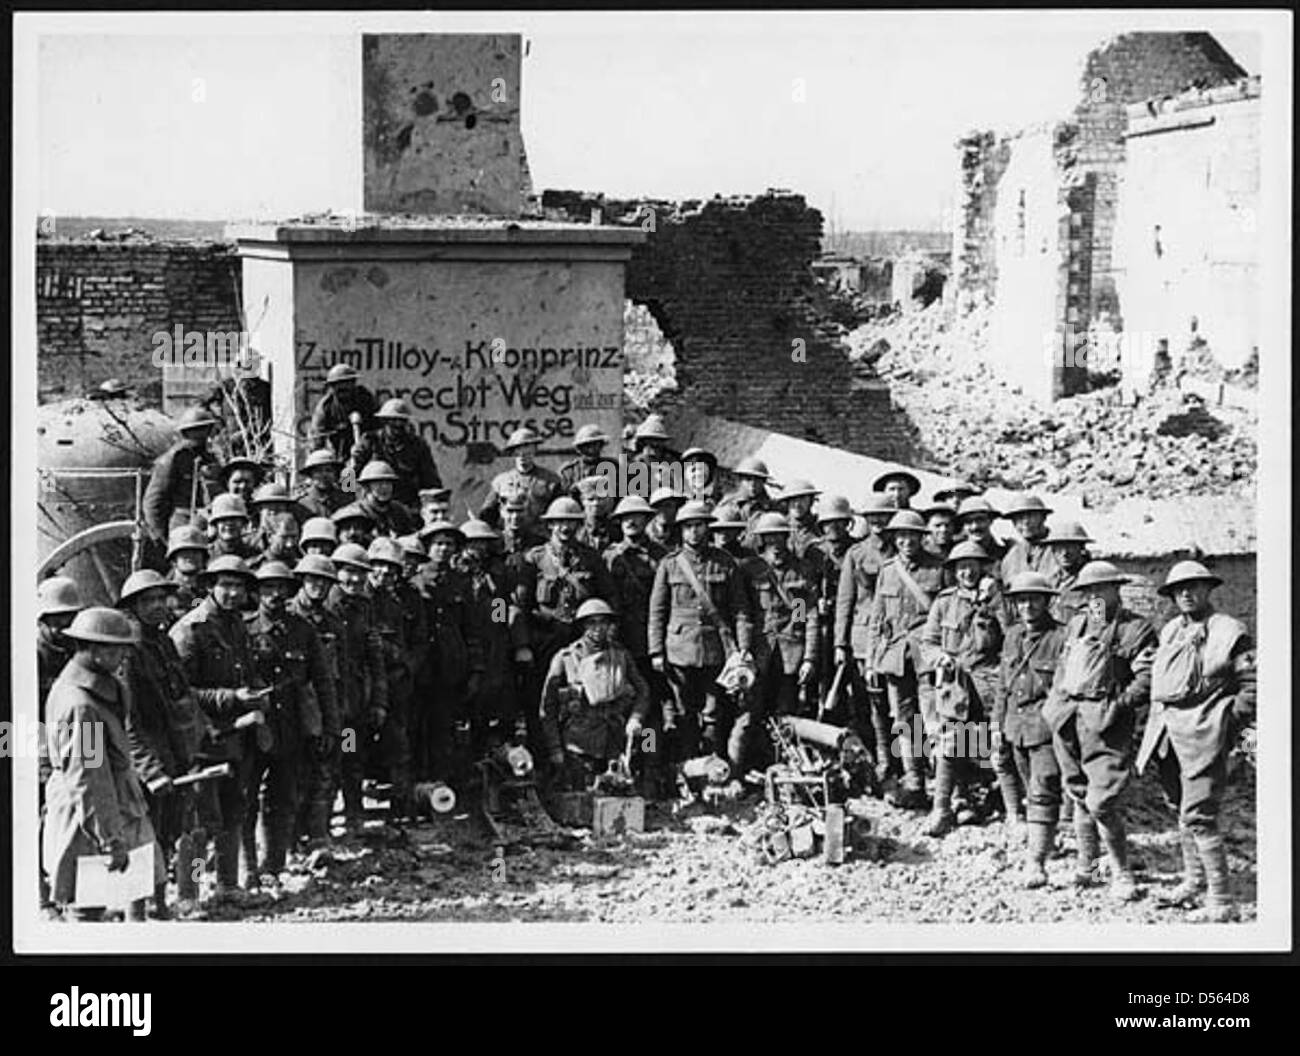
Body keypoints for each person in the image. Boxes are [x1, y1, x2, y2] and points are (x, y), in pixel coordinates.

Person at [1136, 561, 1255, 922]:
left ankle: (1220, 900)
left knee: (1200, 816)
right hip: (1168, 733)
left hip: (1205, 732)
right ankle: (1193, 880)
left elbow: (1253, 686)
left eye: (1194, 586)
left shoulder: (1229, 631)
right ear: (1172, 595)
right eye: (1179, 589)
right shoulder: (1171, 629)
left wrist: (1225, 720)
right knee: (1180, 809)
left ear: (1208, 589)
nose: (1187, 594)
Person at [1044, 560, 1157, 902]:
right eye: (1087, 591)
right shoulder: (1076, 624)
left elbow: (1147, 677)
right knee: (1078, 794)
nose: (1094, 597)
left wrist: (1120, 705)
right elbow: (1063, 668)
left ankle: (1121, 873)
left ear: (1116, 590)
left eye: (1100, 590)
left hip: (1105, 722)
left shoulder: (1136, 629)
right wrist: (1057, 702)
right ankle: (1088, 868)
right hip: (1068, 717)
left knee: (1103, 801)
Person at [43, 608, 165, 922]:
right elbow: (90, 779)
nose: (124, 655)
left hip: (119, 806)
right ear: (94, 649)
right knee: (89, 907)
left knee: (134, 893)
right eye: (117, 648)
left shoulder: (103, 687)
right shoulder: (81, 706)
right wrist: (110, 839)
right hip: (93, 818)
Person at [170, 555, 268, 903]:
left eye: (238, 586)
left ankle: (227, 884)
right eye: (225, 585)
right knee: (198, 823)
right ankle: (189, 892)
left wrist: (256, 691)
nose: (232, 593)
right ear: (210, 586)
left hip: (235, 736)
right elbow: (180, 692)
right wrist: (231, 697)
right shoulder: (190, 630)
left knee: (233, 811)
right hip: (201, 740)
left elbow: (246, 669)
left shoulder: (236, 625)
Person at [117, 570, 213, 917]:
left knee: (194, 832)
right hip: (151, 765)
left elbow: (183, 696)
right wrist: (151, 771)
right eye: (148, 601)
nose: (157, 606)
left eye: (161, 599)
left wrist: (202, 736)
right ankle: (143, 906)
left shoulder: (165, 643)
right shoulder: (128, 654)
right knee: (147, 838)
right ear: (133, 607)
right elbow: (128, 723)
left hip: (183, 755)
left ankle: (189, 894)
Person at [242, 561, 335, 884]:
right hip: (254, 729)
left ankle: (274, 864)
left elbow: (323, 681)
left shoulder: (303, 630)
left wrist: (330, 729)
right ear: (257, 592)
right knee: (246, 799)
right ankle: (247, 869)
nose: (275, 595)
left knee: (282, 799)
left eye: (281, 588)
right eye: (268, 588)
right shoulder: (244, 628)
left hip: (291, 729)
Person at [647, 501, 754, 767]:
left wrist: (743, 648)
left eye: (699, 526)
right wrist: (656, 651)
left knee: (713, 712)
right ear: (681, 531)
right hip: (679, 649)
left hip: (715, 651)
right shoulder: (669, 565)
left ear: (708, 528)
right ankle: (686, 767)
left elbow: (740, 610)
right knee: (683, 712)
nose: (694, 532)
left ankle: (713, 765)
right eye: (688, 527)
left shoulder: (725, 563)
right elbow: (657, 612)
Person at [919, 541, 1005, 837]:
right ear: (954, 571)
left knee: (991, 743)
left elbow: (1012, 637)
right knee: (950, 742)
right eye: (961, 567)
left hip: (987, 682)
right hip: (955, 682)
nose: (967, 572)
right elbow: (927, 642)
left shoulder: (998, 600)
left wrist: (993, 603)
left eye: (973, 566)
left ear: (983, 568)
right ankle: (942, 808)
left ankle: (1001, 806)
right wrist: (939, 657)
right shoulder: (944, 602)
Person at [865, 510, 945, 810]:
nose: (906, 541)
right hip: (896, 658)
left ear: (921, 537)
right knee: (904, 722)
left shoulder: (939, 568)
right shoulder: (888, 570)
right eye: (901, 536)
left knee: (936, 720)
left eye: (912, 535)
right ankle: (914, 781)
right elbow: (877, 619)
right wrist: (873, 660)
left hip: (929, 657)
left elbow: (949, 613)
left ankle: (946, 786)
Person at [993, 572, 1068, 887]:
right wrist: (997, 726)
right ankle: (1049, 838)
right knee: (1030, 788)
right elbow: (1003, 686)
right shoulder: (1012, 636)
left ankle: (1036, 863)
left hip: (1046, 728)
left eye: (1034, 599)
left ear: (1047, 601)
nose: (1027, 606)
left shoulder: (1061, 637)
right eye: (1021, 600)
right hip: (1016, 727)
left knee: (1043, 789)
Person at [734, 513, 820, 774]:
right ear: (760, 539)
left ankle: (784, 768)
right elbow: (743, 613)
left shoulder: (802, 571)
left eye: (779, 536)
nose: (775, 543)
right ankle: (741, 769)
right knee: (750, 713)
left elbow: (806, 616)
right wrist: (744, 650)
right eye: (769, 537)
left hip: (790, 651)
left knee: (785, 714)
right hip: (759, 651)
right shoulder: (750, 569)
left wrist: (809, 658)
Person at [541, 599, 653, 791]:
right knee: (581, 797)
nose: (598, 628)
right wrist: (555, 749)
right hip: (580, 743)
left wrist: (636, 718)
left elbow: (643, 690)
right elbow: (547, 708)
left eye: (603, 622)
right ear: (582, 626)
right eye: (591, 623)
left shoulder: (621, 655)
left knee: (619, 791)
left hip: (614, 740)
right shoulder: (566, 658)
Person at [603, 495, 671, 796]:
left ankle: (650, 768)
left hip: (652, 644)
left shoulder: (662, 556)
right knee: (615, 706)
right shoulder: (609, 557)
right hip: (619, 643)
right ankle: (618, 768)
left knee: (652, 709)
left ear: (647, 520)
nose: (631, 522)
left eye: (638, 516)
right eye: (626, 517)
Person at [834, 493, 898, 784]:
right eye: (873, 517)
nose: (878, 522)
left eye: (883, 516)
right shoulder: (856, 554)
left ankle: (911, 761)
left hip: (897, 639)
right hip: (862, 640)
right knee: (869, 705)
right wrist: (840, 643)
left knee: (905, 705)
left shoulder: (903, 550)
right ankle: (879, 761)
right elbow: (845, 602)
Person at [456, 518, 529, 766]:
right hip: (463, 643)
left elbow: (501, 611)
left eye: (483, 544)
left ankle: (499, 757)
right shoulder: (457, 574)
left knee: (498, 702)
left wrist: (505, 633)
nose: (478, 549)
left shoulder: (497, 576)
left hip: (493, 644)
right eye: (472, 544)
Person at [327, 543, 388, 832]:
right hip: (327, 702)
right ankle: (318, 825)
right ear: (336, 572)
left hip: (353, 703)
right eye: (348, 573)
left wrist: (378, 701)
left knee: (351, 757)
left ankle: (354, 813)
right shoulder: (325, 606)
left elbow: (374, 659)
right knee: (325, 763)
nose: (354, 580)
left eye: (360, 575)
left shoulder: (364, 608)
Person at [413, 521, 478, 787]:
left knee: (445, 725)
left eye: (449, 544)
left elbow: (471, 629)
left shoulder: (461, 583)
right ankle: (419, 784)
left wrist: (476, 668)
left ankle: (444, 781)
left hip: (451, 666)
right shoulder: (414, 582)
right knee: (417, 726)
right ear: (428, 547)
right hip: (421, 667)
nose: (443, 549)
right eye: (438, 543)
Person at [288, 555, 346, 850]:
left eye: (325, 582)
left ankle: (319, 835)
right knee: (294, 775)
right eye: (312, 580)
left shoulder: (334, 622)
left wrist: (337, 717)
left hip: (325, 707)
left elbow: (340, 672)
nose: (319, 587)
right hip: (293, 709)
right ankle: (290, 839)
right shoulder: (289, 617)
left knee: (327, 771)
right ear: (302, 581)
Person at [37, 576, 85, 918]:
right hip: (30, 734)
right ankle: (42, 897)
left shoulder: (77, 650)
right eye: (57, 620)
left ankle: (78, 892)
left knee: (84, 805)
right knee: (36, 812)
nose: (64, 626)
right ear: (43, 619)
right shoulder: (27, 651)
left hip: (82, 733)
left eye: (69, 618)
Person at [366, 537, 420, 821]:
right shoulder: (358, 599)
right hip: (362, 685)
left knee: (398, 742)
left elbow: (403, 643)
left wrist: (402, 667)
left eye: (391, 570)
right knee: (352, 745)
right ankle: (352, 810)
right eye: (378, 567)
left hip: (392, 683)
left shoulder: (394, 602)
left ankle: (401, 804)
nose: (384, 574)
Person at [143, 405, 221, 543]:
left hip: (209, 523)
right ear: (185, 433)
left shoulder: (210, 457)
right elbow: (153, 502)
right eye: (195, 430)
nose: (202, 434)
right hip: (182, 525)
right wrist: (163, 537)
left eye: (205, 429)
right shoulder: (173, 459)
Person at [350, 398, 443, 509]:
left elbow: (431, 482)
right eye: (393, 422)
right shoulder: (369, 441)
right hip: (373, 507)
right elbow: (347, 481)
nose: (398, 425)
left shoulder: (417, 446)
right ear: (384, 422)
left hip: (407, 507)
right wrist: (352, 462)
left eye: (402, 421)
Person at [479, 427, 562, 534]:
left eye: (527, 450)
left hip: (540, 540)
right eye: (519, 450)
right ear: (513, 452)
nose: (523, 455)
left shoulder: (550, 481)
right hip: (509, 540)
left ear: (535, 450)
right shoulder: (501, 482)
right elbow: (487, 516)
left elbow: (560, 514)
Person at [309, 363, 378, 463]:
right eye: (337, 385)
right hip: (342, 458)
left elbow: (379, 429)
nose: (342, 389)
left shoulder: (366, 400)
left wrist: (364, 444)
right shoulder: (326, 407)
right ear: (331, 387)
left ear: (353, 383)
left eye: (346, 383)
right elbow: (317, 439)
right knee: (347, 476)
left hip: (368, 454)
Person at [1000, 494, 1061, 588]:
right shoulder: (1011, 558)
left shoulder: (1060, 548)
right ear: (1013, 523)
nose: (1026, 522)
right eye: (1019, 518)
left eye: (1031, 516)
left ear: (1043, 517)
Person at [356, 456, 422, 538]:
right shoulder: (357, 513)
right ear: (367, 487)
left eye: (388, 483)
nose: (385, 487)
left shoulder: (399, 511)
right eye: (379, 483)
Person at [717, 457, 777, 547]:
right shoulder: (728, 505)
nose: (753, 484)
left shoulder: (772, 507)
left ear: (763, 481)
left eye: (757, 479)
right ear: (741, 480)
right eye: (748, 479)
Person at [1043, 520, 1093, 625]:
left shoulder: (1094, 583)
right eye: (1059, 547)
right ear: (1052, 551)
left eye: (1070, 546)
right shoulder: (1049, 582)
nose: (1065, 553)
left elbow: (1100, 621)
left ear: (1081, 548)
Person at [559, 424, 617, 504]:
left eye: (595, 445)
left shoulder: (614, 466)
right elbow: (563, 499)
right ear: (579, 448)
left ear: (601, 445)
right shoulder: (569, 471)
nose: (591, 449)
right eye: (587, 446)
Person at [164, 526, 209, 623]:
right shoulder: (164, 594)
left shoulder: (211, 589)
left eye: (196, 552)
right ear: (173, 560)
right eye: (184, 552)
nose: (191, 556)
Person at [774, 479, 822, 559]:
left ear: (811, 501)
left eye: (802, 499)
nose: (797, 504)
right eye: (793, 499)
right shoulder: (777, 527)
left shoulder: (820, 528)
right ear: (787, 502)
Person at [296, 449, 348, 520]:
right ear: (311, 475)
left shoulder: (345, 500)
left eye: (328, 470)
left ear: (335, 474)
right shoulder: (302, 504)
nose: (324, 475)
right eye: (318, 471)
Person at [956, 496, 1008, 565]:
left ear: (990, 520)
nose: (975, 527)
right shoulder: (957, 555)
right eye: (968, 521)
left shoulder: (1005, 555)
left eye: (980, 519)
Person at [207, 494, 258, 561]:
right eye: (223, 519)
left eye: (234, 519)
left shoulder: (254, 555)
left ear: (243, 523)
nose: (229, 524)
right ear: (215, 525)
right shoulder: (206, 556)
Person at [646, 486, 686, 551]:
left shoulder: (683, 532)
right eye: (658, 506)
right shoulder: (645, 534)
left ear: (676, 508)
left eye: (668, 505)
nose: (663, 510)